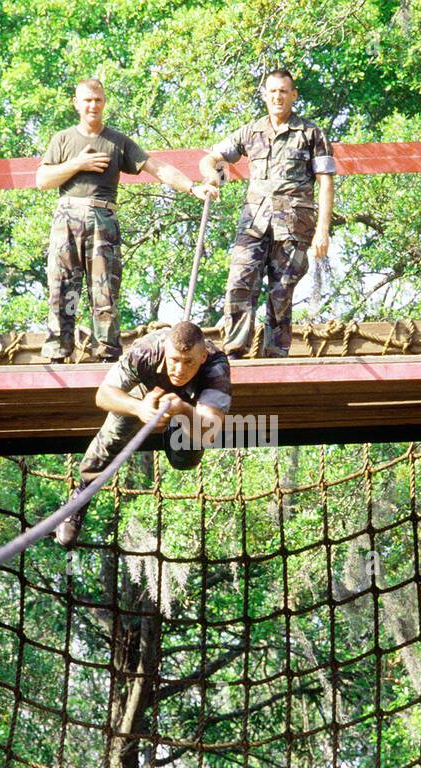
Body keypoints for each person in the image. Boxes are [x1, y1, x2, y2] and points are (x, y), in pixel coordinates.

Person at [38, 78, 218, 362]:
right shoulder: (62, 139)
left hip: (102, 218)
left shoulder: (117, 142)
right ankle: (58, 354)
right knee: (63, 288)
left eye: (97, 99)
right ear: (76, 103)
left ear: (104, 102)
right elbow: (42, 180)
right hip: (67, 218)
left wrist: (193, 187)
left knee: (104, 292)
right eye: (86, 100)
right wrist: (78, 164)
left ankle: (107, 354)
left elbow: (157, 167)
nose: (92, 105)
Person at [55, 321, 232, 549]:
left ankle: (174, 426)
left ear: (203, 357)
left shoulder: (216, 366)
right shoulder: (146, 352)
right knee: (116, 428)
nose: (180, 369)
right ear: (166, 352)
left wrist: (183, 410)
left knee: (185, 459)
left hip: (190, 406)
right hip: (145, 393)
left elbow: (210, 430)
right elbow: (103, 395)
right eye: (174, 360)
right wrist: (138, 408)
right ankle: (80, 497)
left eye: (188, 362)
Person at [199, 68, 335, 359]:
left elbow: (325, 181)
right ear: (264, 95)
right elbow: (212, 157)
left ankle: (276, 356)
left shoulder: (311, 133)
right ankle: (234, 351)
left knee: (281, 292)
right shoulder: (251, 131)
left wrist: (322, 230)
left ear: (293, 95)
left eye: (283, 91)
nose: (277, 97)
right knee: (240, 281)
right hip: (254, 223)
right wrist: (211, 175)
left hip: (294, 225)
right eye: (272, 91)